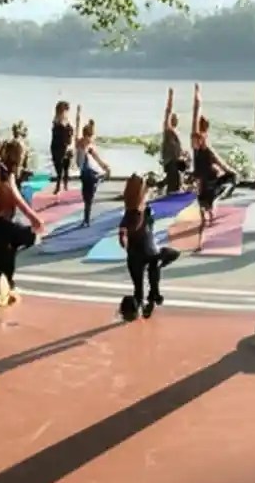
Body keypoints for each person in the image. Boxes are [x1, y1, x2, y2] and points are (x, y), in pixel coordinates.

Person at [0, 140, 45, 308]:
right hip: (2, 227)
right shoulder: (8, 175)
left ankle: (5, 290)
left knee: (3, 266)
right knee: (35, 237)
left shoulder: (2, 171)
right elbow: (17, 198)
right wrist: (34, 218)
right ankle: (4, 292)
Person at [118, 174, 172, 319]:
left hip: (136, 254)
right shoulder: (142, 209)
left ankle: (140, 306)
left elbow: (123, 235)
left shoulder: (129, 214)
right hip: (150, 250)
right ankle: (152, 298)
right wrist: (147, 187)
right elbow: (142, 202)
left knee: (138, 287)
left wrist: (124, 242)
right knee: (155, 272)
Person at [191, 129, 238, 250]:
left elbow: (220, 163)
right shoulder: (196, 153)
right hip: (202, 187)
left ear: (201, 141)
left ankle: (200, 242)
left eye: (195, 141)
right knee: (203, 214)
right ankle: (200, 242)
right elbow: (197, 173)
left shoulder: (208, 152)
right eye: (192, 141)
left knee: (205, 214)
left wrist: (231, 172)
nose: (193, 143)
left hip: (210, 185)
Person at [74, 106, 112, 227]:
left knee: (88, 198)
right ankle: (86, 219)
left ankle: (86, 220)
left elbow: (97, 159)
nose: (90, 140)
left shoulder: (85, 145)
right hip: (85, 174)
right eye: (89, 137)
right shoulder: (81, 144)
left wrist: (104, 166)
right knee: (86, 197)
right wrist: (78, 115)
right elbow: (77, 128)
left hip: (89, 174)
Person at [161, 89, 187, 194]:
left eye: (176, 118)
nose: (175, 120)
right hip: (170, 162)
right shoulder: (168, 130)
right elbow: (168, 111)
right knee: (173, 185)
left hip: (176, 162)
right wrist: (170, 97)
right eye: (173, 118)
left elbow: (178, 149)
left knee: (177, 183)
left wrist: (184, 155)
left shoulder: (176, 132)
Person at [50, 101, 73, 195]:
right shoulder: (56, 121)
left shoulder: (67, 121)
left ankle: (64, 185)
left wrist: (70, 145)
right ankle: (59, 185)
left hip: (67, 146)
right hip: (57, 146)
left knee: (66, 167)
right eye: (64, 110)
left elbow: (70, 134)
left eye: (66, 110)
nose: (65, 112)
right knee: (59, 167)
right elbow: (57, 133)